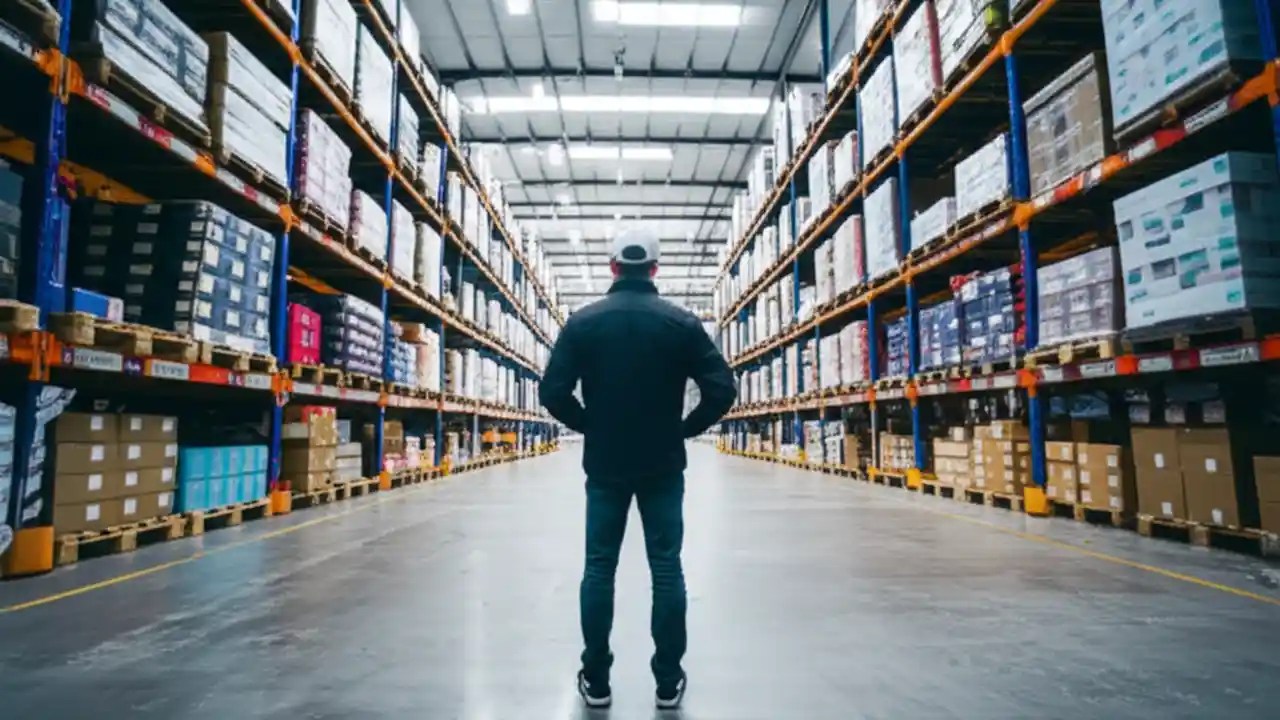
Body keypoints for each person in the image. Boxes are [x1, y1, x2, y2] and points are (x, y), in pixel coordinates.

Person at [540, 228, 736, 710]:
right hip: (662, 464)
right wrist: (686, 428)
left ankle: (598, 679)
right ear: (654, 269)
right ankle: (668, 681)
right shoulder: (681, 324)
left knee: (599, 567)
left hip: (605, 463)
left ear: (612, 268)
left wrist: (589, 424)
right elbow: (723, 388)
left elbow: (551, 393)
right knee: (666, 568)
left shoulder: (583, 324)